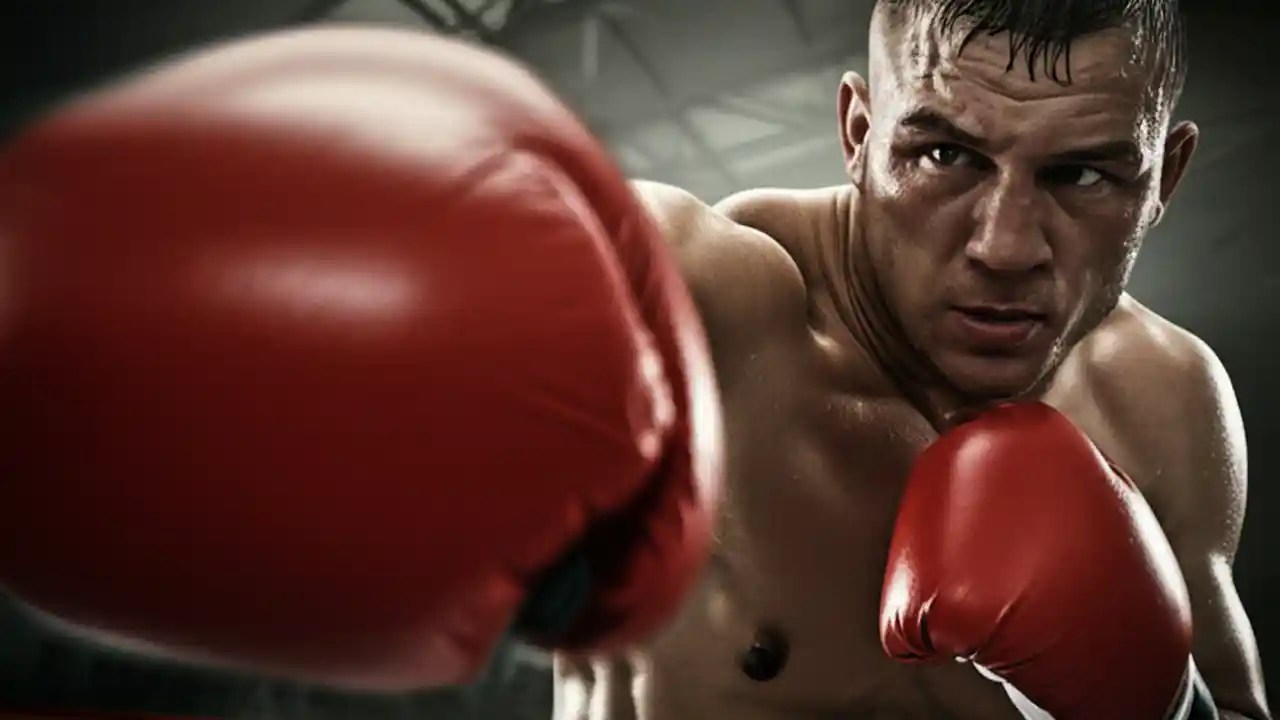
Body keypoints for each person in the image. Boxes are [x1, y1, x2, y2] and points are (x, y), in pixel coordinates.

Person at [0, 3, 1269, 720]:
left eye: (1080, 176)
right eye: (943, 156)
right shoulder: (691, 306)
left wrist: (1152, 711)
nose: (1003, 246)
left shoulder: (1158, 402)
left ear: (1161, 180)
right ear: (854, 129)